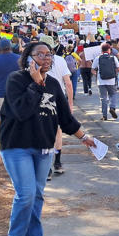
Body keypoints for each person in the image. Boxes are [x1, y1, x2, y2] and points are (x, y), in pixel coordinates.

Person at [0, 41, 97, 236]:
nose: (46, 58)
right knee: (26, 194)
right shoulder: (16, 80)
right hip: (17, 146)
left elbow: (64, 117)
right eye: (40, 54)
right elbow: (22, 111)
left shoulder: (53, 84)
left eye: (48, 54)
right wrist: (35, 83)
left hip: (43, 147)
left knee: (38, 195)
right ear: (28, 58)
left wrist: (84, 137)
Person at [39, 35, 73, 177]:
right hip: (59, 100)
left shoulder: (36, 61)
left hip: (41, 100)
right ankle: (57, 162)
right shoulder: (60, 61)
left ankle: (46, 168)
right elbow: (68, 83)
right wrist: (70, 103)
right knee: (58, 132)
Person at [94, 43, 119, 121]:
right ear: (109, 50)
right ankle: (112, 107)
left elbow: (93, 70)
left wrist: (98, 74)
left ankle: (104, 116)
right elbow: (118, 68)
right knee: (113, 94)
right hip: (111, 80)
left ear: (101, 50)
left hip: (101, 81)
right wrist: (113, 72)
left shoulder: (97, 58)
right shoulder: (113, 58)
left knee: (103, 98)